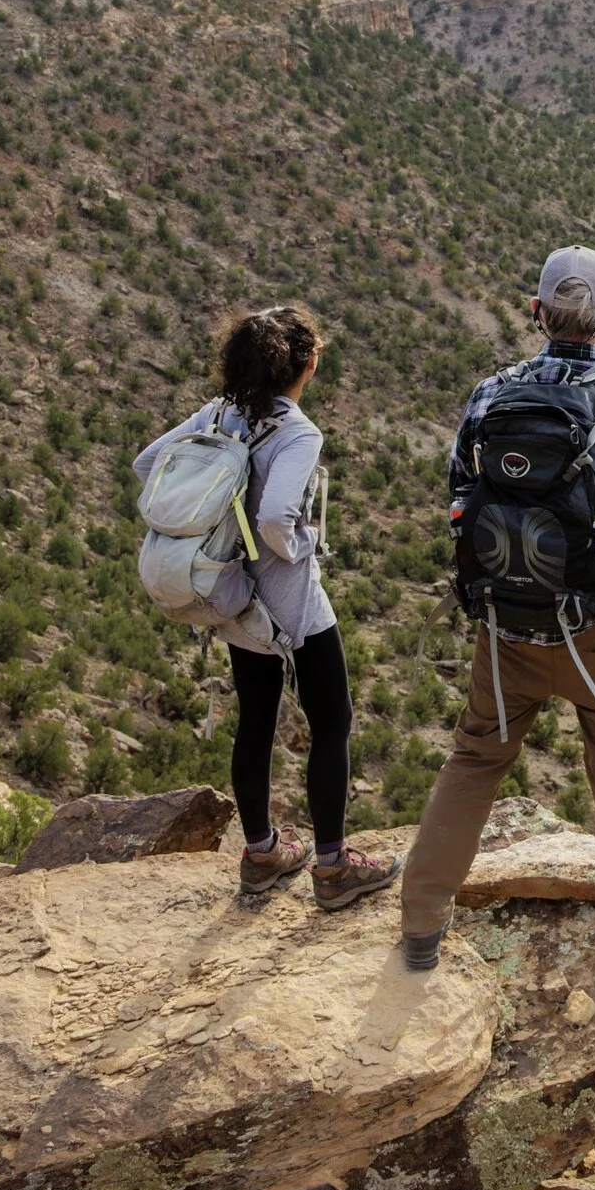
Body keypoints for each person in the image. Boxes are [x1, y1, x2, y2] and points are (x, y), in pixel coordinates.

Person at [401, 246, 595, 976]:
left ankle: (419, 920)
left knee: (476, 757)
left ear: (535, 313)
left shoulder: (490, 395)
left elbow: (457, 508)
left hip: (507, 627)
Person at [133, 305, 400, 910]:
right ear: (304, 365)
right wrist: (302, 544)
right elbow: (277, 517)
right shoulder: (298, 434)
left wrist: (210, 518)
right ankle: (333, 868)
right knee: (332, 721)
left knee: (255, 720)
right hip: (293, 606)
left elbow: (148, 466)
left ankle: (261, 854)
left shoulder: (218, 416)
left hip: (233, 598)